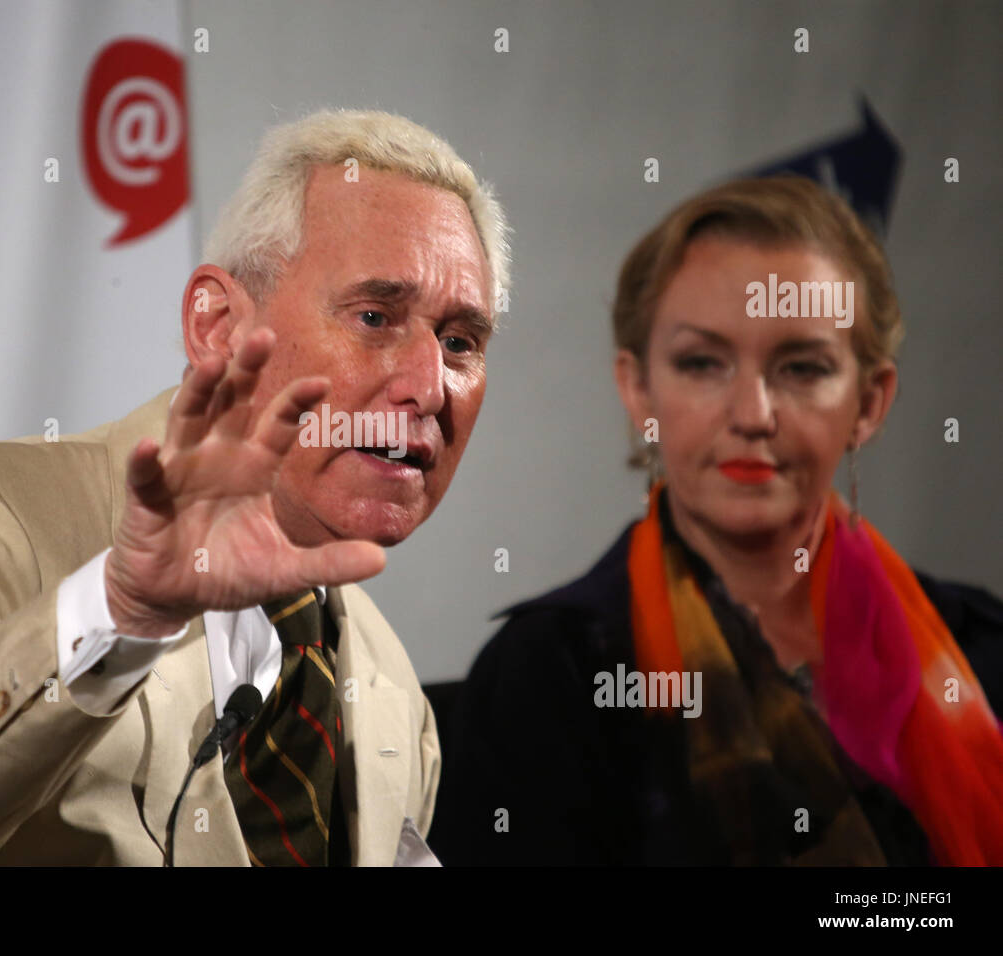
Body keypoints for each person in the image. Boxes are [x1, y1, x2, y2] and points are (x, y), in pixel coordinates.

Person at [0, 108, 510, 867]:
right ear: (217, 328)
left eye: (460, 341)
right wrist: (121, 612)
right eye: (374, 316)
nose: (428, 384)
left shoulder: (387, 681)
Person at [429, 175, 1003, 866]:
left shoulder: (985, 649)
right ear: (638, 389)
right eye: (702, 363)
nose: (753, 414)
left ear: (870, 403)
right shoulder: (551, 675)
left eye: (802, 367)